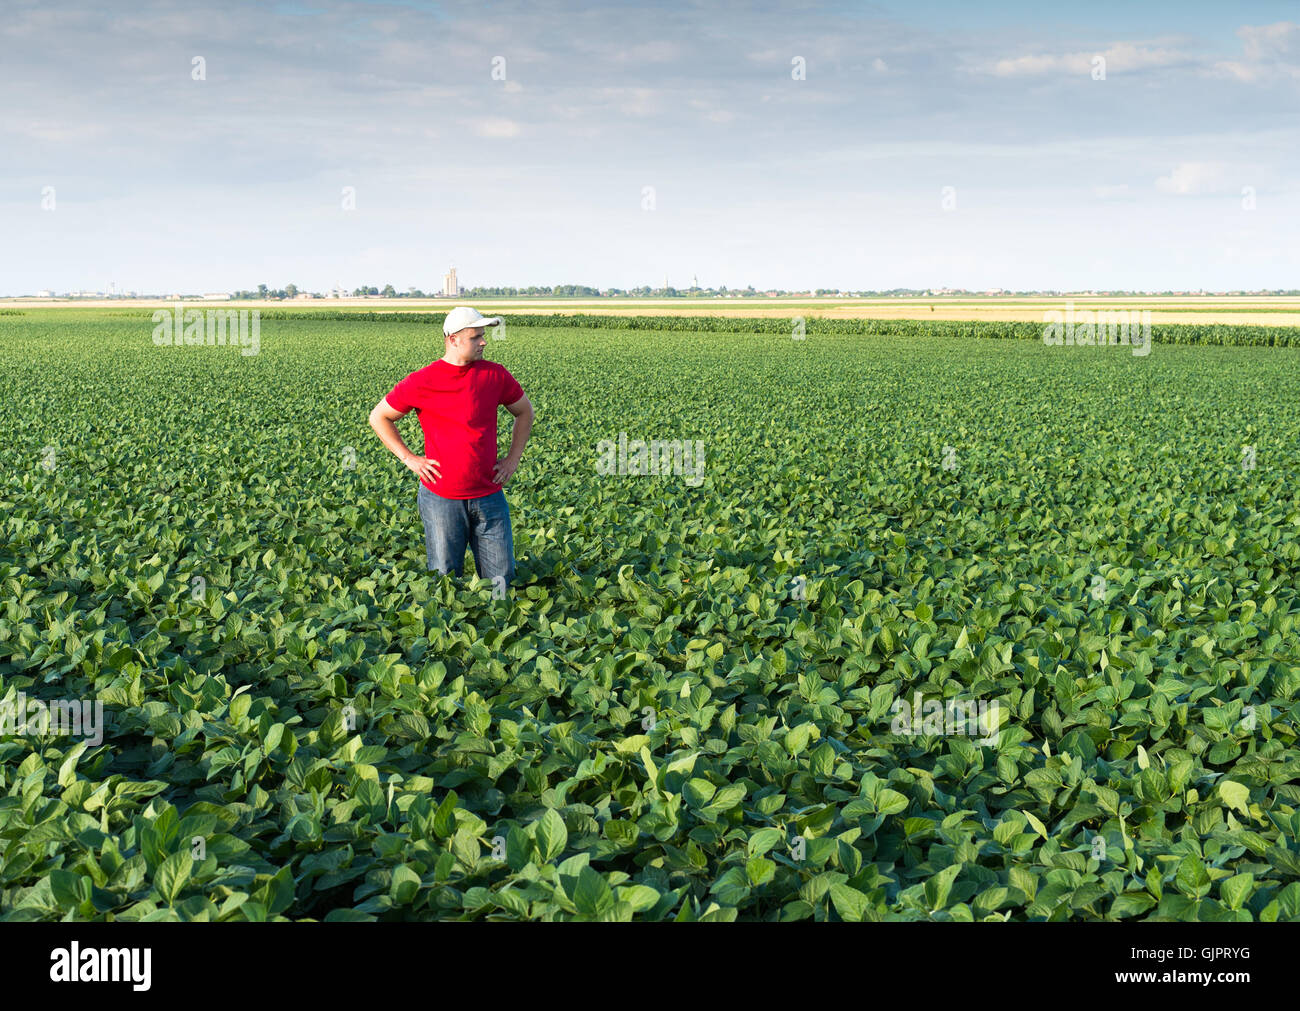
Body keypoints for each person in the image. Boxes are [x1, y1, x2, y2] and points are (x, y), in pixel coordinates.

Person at [368, 306, 534, 588]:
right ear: (453, 339)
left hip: (489, 495)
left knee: (501, 581)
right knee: (444, 579)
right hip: (441, 498)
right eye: (476, 337)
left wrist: (512, 459)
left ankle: (495, 627)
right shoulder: (424, 380)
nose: (484, 342)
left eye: (484, 336)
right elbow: (379, 416)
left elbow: (524, 412)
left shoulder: (494, 375)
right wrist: (409, 458)